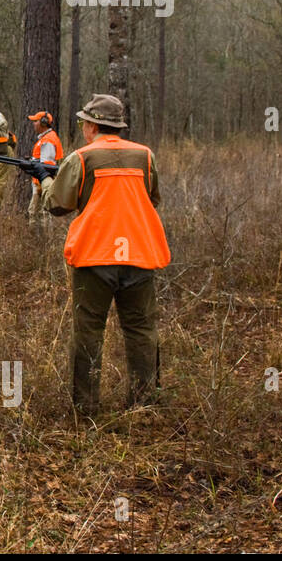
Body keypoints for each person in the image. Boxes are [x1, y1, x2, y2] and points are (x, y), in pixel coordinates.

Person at [47, 94, 171, 416]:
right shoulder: (145, 156)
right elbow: (152, 198)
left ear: (90, 126)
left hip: (94, 257)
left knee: (88, 332)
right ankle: (144, 403)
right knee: (142, 331)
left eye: (82, 123)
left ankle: (85, 408)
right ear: (117, 126)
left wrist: (46, 180)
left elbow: (57, 205)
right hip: (139, 255)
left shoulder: (81, 158)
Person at [25, 111, 63, 226]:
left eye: (35, 121)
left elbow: (47, 165)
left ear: (43, 123)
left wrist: (41, 184)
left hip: (42, 182)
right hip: (41, 181)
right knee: (38, 213)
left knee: (39, 214)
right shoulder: (46, 138)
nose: (33, 124)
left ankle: (41, 240)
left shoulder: (48, 141)